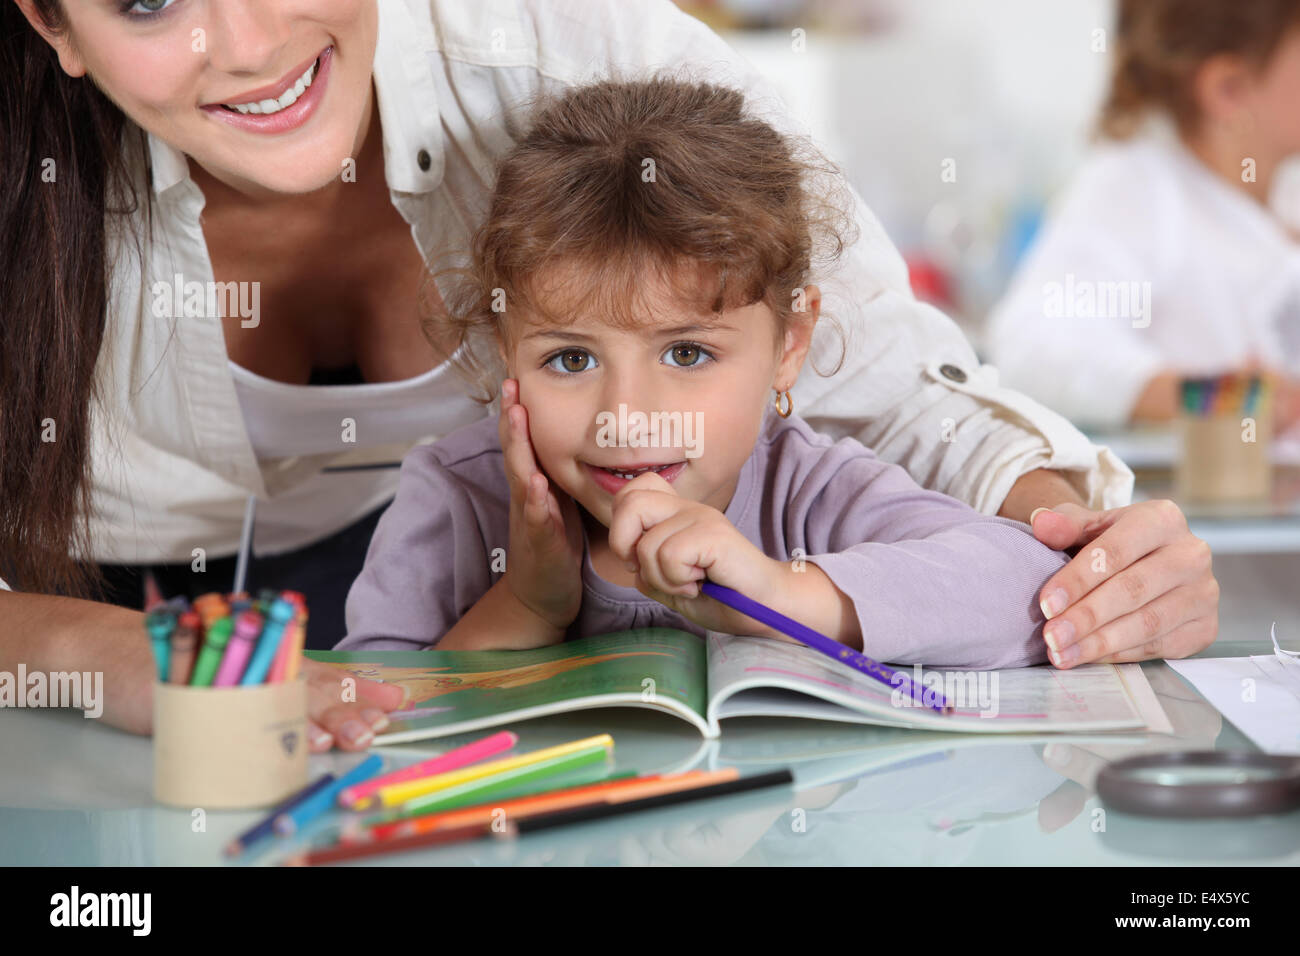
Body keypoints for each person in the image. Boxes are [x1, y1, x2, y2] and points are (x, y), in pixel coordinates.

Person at [2, 0, 1218, 751]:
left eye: (685, 352)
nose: (252, 45)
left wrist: (1085, 561)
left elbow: (891, 385)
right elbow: (395, 686)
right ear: (50, 22)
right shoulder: (466, 496)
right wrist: (114, 659)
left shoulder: (574, 52)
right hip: (109, 613)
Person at [338, 76, 1072, 667]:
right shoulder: (457, 497)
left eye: (687, 353)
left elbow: (1028, 584)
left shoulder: (810, 488)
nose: (626, 417)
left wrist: (781, 593)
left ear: (790, 343)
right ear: (506, 349)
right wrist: (527, 606)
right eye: (570, 359)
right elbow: (363, 715)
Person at [987, 0, 1300, 431]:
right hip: (1201, 496)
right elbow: (1033, 349)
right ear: (1229, 88)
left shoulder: (1281, 194)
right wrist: (1221, 396)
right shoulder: (1139, 188)